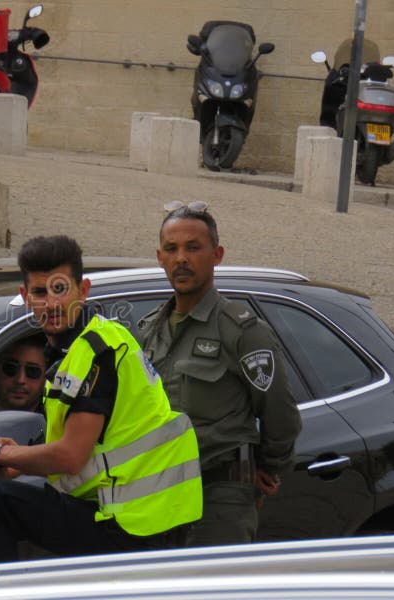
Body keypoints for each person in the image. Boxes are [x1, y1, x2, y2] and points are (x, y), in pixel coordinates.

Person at [0, 235, 202, 563]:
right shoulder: (75, 349)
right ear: (25, 297)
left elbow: (71, 457)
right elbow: (90, 455)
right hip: (125, 512)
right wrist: (13, 460)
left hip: (131, 524)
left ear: (83, 290)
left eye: (60, 289)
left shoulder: (96, 352)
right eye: (40, 292)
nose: (51, 303)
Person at [138, 201, 302, 547]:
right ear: (159, 257)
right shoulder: (148, 332)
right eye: (172, 249)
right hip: (156, 499)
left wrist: (265, 468)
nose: (181, 258)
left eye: (193, 248)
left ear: (217, 254)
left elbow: (281, 417)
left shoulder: (241, 332)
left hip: (218, 502)